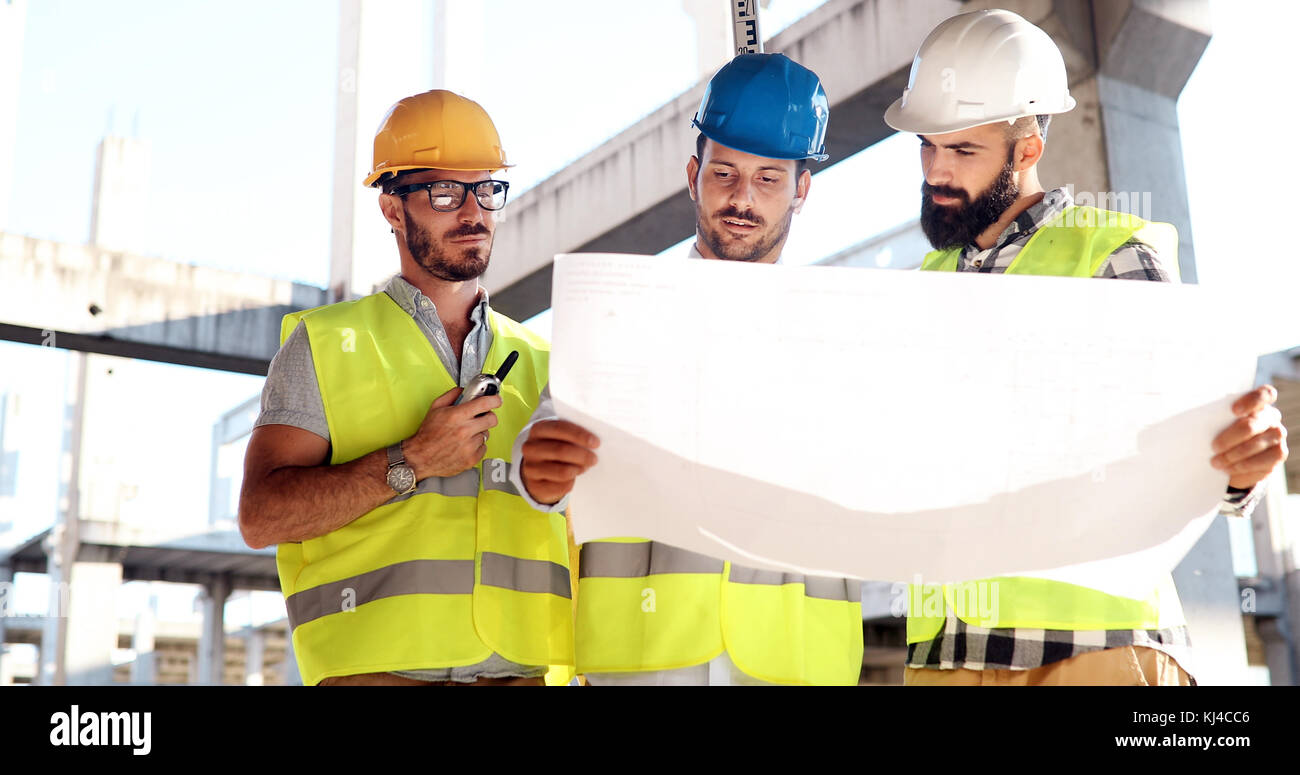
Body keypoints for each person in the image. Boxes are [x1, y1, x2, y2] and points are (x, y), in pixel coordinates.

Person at [883, 8, 1289, 685]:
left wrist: (1241, 464)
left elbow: (1201, 452)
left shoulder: (1113, 257)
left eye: (962, 151)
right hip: (948, 655)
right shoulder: (917, 290)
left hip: (1097, 650)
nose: (935, 171)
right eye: (927, 145)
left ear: (1027, 151)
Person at [508, 53, 864, 686]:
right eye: (724, 171)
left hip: (794, 663)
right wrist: (536, 472)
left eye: (769, 179)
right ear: (694, 175)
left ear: (801, 190)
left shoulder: (840, 337)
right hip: (645, 659)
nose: (742, 197)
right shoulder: (618, 312)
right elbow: (542, 456)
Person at [238, 90, 572, 686]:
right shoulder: (325, 343)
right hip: (376, 673)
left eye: (486, 189)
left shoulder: (550, 361)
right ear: (393, 209)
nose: (472, 212)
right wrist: (411, 460)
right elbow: (261, 517)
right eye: (444, 193)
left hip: (522, 674)